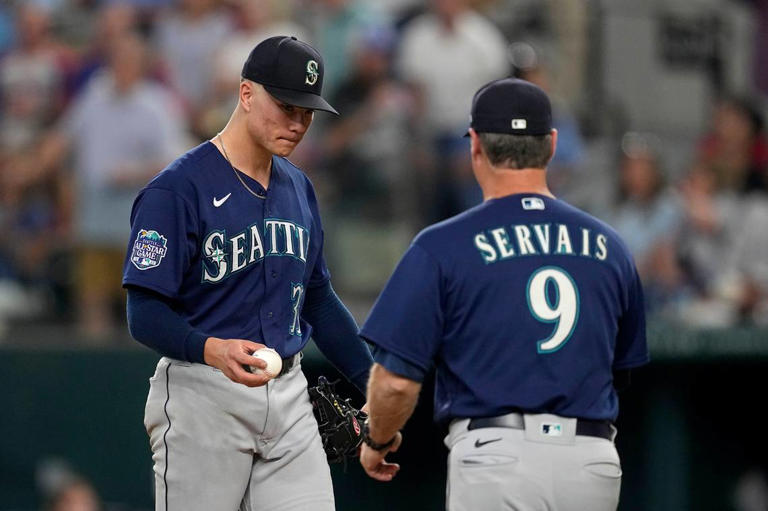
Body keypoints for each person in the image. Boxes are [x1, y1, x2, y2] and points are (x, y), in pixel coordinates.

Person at [358, 78, 649, 511]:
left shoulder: (442, 245)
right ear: (551, 145)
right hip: (592, 462)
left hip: (496, 456)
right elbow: (622, 370)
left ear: (475, 145)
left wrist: (376, 438)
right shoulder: (610, 246)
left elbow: (397, 384)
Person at [122, 36, 373, 510]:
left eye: (307, 112)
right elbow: (144, 312)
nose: (297, 123)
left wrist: (373, 382)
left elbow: (317, 298)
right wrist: (211, 349)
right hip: (203, 394)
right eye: (286, 106)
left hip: (290, 397)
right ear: (246, 93)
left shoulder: (299, 188)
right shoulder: (177, 189)